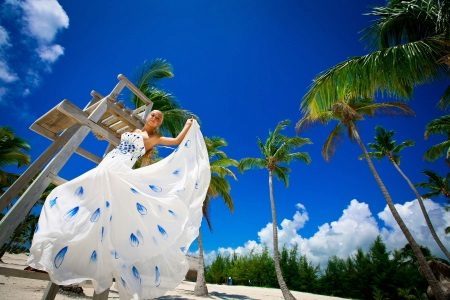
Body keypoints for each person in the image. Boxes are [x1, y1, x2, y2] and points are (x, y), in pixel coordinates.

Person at [27, 110, 211, 299]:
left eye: (158, 118)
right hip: (107, 164)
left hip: (118, 170)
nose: (155, 118)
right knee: (80, 203)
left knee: (100, 210)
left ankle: (89, 261)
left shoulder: (154, 138)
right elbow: (114, 137)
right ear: (148, 117)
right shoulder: (133, 129)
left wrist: (189, 125)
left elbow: (177, 142)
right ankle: (59, 250)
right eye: (153, 115)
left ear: (158, 123)